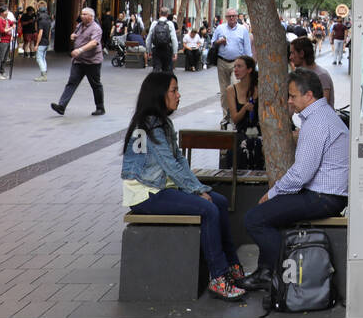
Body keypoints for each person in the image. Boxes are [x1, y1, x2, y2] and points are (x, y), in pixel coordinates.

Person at [121, 71, 246, 300]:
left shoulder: (161, 122)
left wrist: (200, 189)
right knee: (208, 209)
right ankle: (218, 278)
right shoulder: (150, 125)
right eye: (174, 90)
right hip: (146, 194)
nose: (179, 95)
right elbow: (171, 166)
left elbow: (179, 160)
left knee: (219, 201)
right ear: (159, 94)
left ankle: (232, 267)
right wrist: (197, 191)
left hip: (160, 188)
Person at [236, 68, 349, 291]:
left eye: (293, 96)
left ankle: (271, 274)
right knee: (269, 217)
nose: (289, 101)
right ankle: (268, 271)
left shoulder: (317, 122)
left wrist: (274, 192)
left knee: (254, 219)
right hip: (326, 194)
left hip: (324, 197)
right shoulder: (322, 116)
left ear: (309, 96)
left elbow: (301, 173)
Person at [50, 7, 105, 116]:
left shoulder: (96, 28)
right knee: (72, 82)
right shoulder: (80, 25)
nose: (82, 16)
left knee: (95, 85)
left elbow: (94, 43)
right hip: (79, 61)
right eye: (82, 14)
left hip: (92, 61)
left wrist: (80, 50)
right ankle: (62, 106)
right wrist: (73, 36)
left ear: (91, 17)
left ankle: (100, 107)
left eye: (85, 14)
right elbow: (75, 34)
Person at [212, 9, 253, 123]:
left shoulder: (243, 30)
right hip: (222, 62)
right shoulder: (220, 28)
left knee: (236, 88)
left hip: (237, 63)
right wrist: (219, 42)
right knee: (224, 92)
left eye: (234, 16)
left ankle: (238, 115)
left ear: (237, 17)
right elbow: (212, 43)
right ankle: (226, 116)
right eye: (229, 16)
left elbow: (247, 49)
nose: (231, 18)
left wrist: (249, 65)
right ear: (226, 17)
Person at [225, 55, 263, 170]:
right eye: (235, 66)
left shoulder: (260, 87)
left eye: (239, 66)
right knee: (242, 144)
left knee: (256, 142)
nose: (235, 69)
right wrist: (244, 108)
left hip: (259, 131)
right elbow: (235, 118)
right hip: (241, 131)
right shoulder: (231, 90)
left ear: (249, 69)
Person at [289, 37, 334, 109]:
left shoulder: (321, 76)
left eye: (292, 53)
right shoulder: (304, 75)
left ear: (301, 53)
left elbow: (323, 107)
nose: (290, 57)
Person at [148, 8, 179, 74]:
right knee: (168, 69)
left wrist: (149, 51)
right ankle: (167, 83)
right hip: (167, 49)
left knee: (156, 68)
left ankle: (156, 83)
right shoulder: (170, 24)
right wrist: (175, 52)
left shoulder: (154, 23)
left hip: (156, 49)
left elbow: (149, 38)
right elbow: (174, 39)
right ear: (167, 14)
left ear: (159, 13)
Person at [34, 0, 53, 82]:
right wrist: (48, 41)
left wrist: (37, 44)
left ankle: (43, 75)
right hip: (46, 41)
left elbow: (40, 33)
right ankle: (44, 73)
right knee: (43, 58)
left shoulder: (41, 20)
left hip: (41, 42)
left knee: (39, 58)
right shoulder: (48, 20)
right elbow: (49, 32)